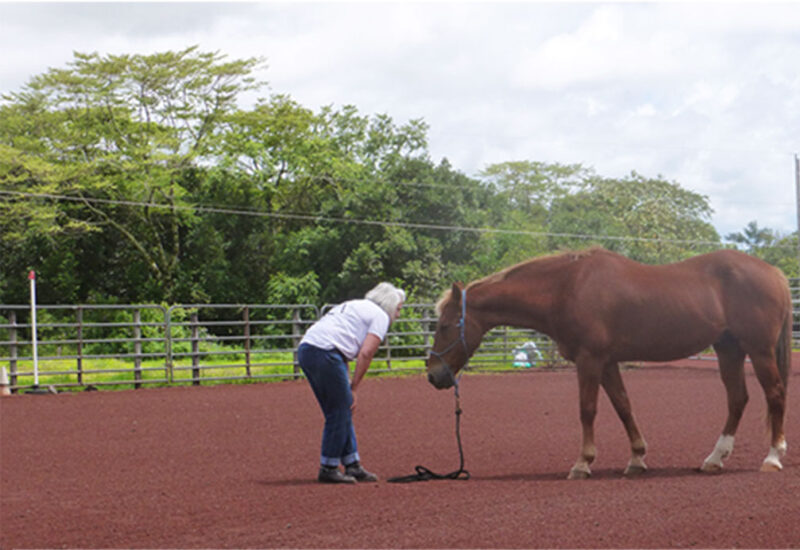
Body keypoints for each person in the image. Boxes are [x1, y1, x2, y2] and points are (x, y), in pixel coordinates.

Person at [297, 282, 406, 484]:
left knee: (340, 408)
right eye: (398, 309)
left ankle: (352, 464)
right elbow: (366, 352)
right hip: (326, 352)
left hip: (309, 350)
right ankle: (328, 467)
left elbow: (343, 347)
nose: (398, 315)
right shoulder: (380, 316)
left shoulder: (355, 305)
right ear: (390, 305)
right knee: (339, 410)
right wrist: (354, 388)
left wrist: (347, 385)